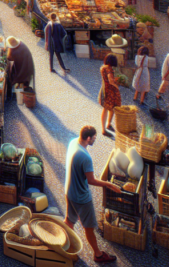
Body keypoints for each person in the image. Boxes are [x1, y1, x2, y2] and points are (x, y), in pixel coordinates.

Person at [65, 126, 120, 264]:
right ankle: (98, 255)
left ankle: (64, 243)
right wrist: (109, 184)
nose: (95, 139)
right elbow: (91, 180)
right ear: (88, 138)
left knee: (69, 221)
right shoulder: (85, 157)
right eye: (94, 137)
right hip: (81, 198)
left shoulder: (73, 142)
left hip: (69, 190)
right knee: (89, 227)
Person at [5, 36, 35, 102]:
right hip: (28, 66)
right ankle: (21, 89)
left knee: (12, 76)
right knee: (16, 74)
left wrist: (8, 50)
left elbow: (9, 58)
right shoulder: (22, 44)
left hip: (22, 70)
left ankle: (13, 95)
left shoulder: (14, 51)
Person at [99, 54, 122, 136]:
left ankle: (108, 125)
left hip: (104, 89)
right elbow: (111, 81)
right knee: (107, 109)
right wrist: (116, 86)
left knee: (110, 108)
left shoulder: (103, 67)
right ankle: (104, 129)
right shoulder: (109, 69)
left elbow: (107, 78)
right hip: (109, 92)